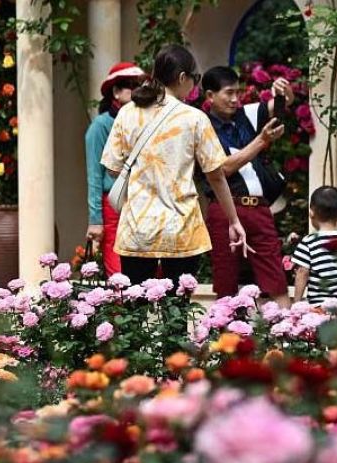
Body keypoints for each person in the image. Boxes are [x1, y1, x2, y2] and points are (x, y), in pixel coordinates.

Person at [100, 44, 249, 284]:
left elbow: (111, 168)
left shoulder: (127, 113)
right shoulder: (194, 118)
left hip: (138, 228)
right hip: (181, 230)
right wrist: (234, 220)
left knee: (135, 311)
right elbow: (216, 175)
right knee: (177, 312)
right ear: (182, 77)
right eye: (195, 78)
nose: (195, 85)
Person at [200, 66, 293, 305]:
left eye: (237, 93)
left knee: (276, 279)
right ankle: (226, 339)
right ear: (210, 96)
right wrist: (261, 141)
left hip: (260, 208)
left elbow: (280, 106)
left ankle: (290, 338)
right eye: (228, 93)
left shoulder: (247, 114)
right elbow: (222, 169)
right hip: (225, 208)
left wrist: (284, 92)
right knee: (226, 282)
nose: (235, 99)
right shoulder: (201, 126)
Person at [85, 62, 146, 276]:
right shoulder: (101, 126)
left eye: (140, 85)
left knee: (148, 271)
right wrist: (95, 221)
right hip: (115, 203)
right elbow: (94, 175)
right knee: (119, 272)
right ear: (116, 92)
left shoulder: (147, 122)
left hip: (144, 203)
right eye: (130, 85)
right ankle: (121, 310)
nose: (137, 90)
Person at [292, 186, 337, 305]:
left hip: (318, 308)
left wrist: (296, 303)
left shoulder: (309, 242)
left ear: (311, 213)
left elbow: (302, 273)